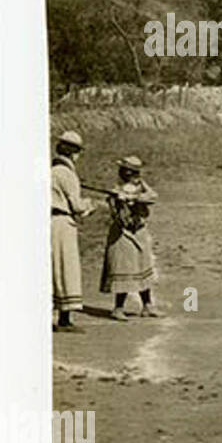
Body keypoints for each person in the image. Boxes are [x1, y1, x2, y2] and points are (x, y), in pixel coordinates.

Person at [100, 156, 161, 320]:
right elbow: (115, 213)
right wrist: (118, 199)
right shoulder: (116, 187)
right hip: (122, 233)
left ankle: (147, 305)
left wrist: (133, 198)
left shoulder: (140, 184)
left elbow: (153, 196)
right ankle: (118, 308)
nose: (128, 174)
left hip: (139, 231)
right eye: (126, 171)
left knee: (143, 265)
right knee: (123, 268)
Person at [51, 130, 95, 331]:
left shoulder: (52, 169)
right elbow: (77, 206)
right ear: (73, 152)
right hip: (61, 223)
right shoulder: (67, 173)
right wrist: (90, 204)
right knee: (65, 268)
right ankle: (64, 320)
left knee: (52, 269)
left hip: (49, 221)